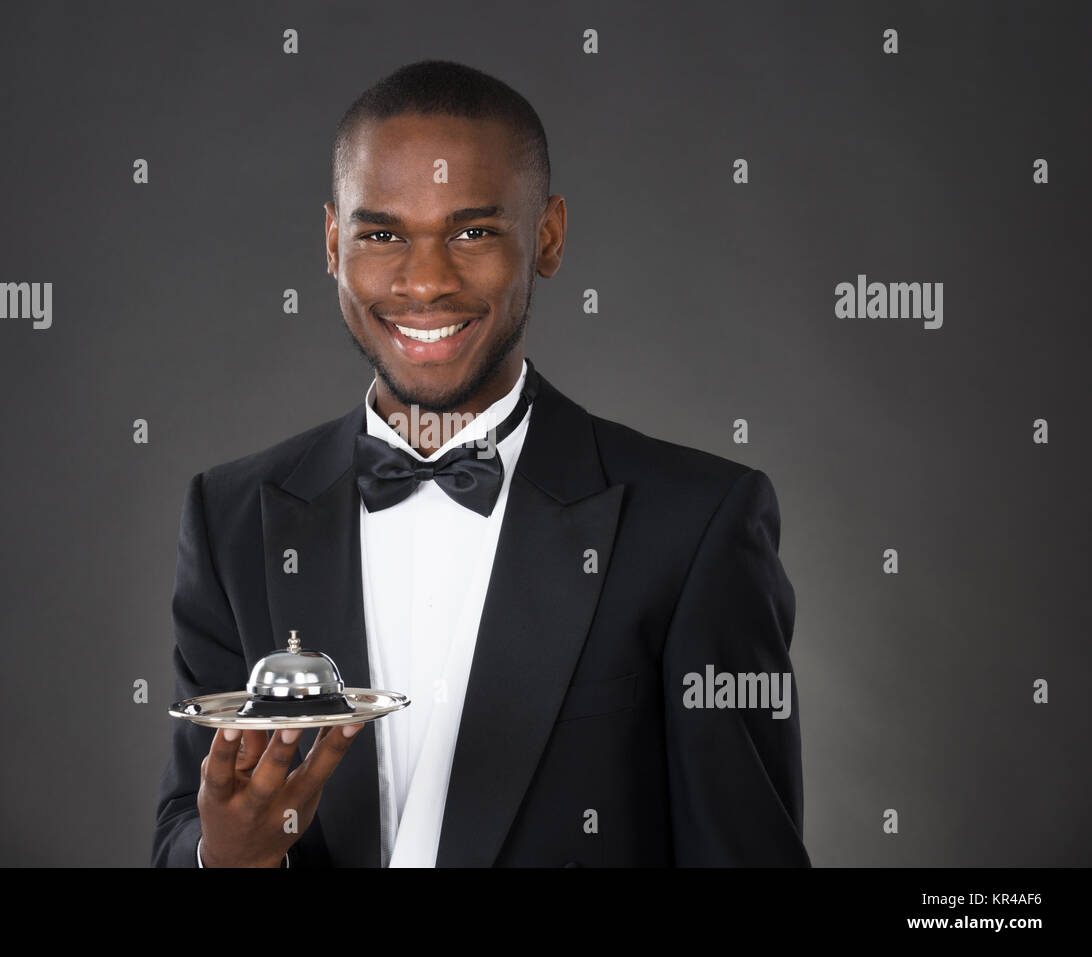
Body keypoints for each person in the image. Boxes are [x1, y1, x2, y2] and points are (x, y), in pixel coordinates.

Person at [151, 59, 810, 868]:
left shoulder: (697, 523)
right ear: (332, 243)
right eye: (382, 233)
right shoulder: (229, 517)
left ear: (549, 236)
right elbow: (184, 831)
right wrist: (227, 857)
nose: (425, 282)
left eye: (472, 232)